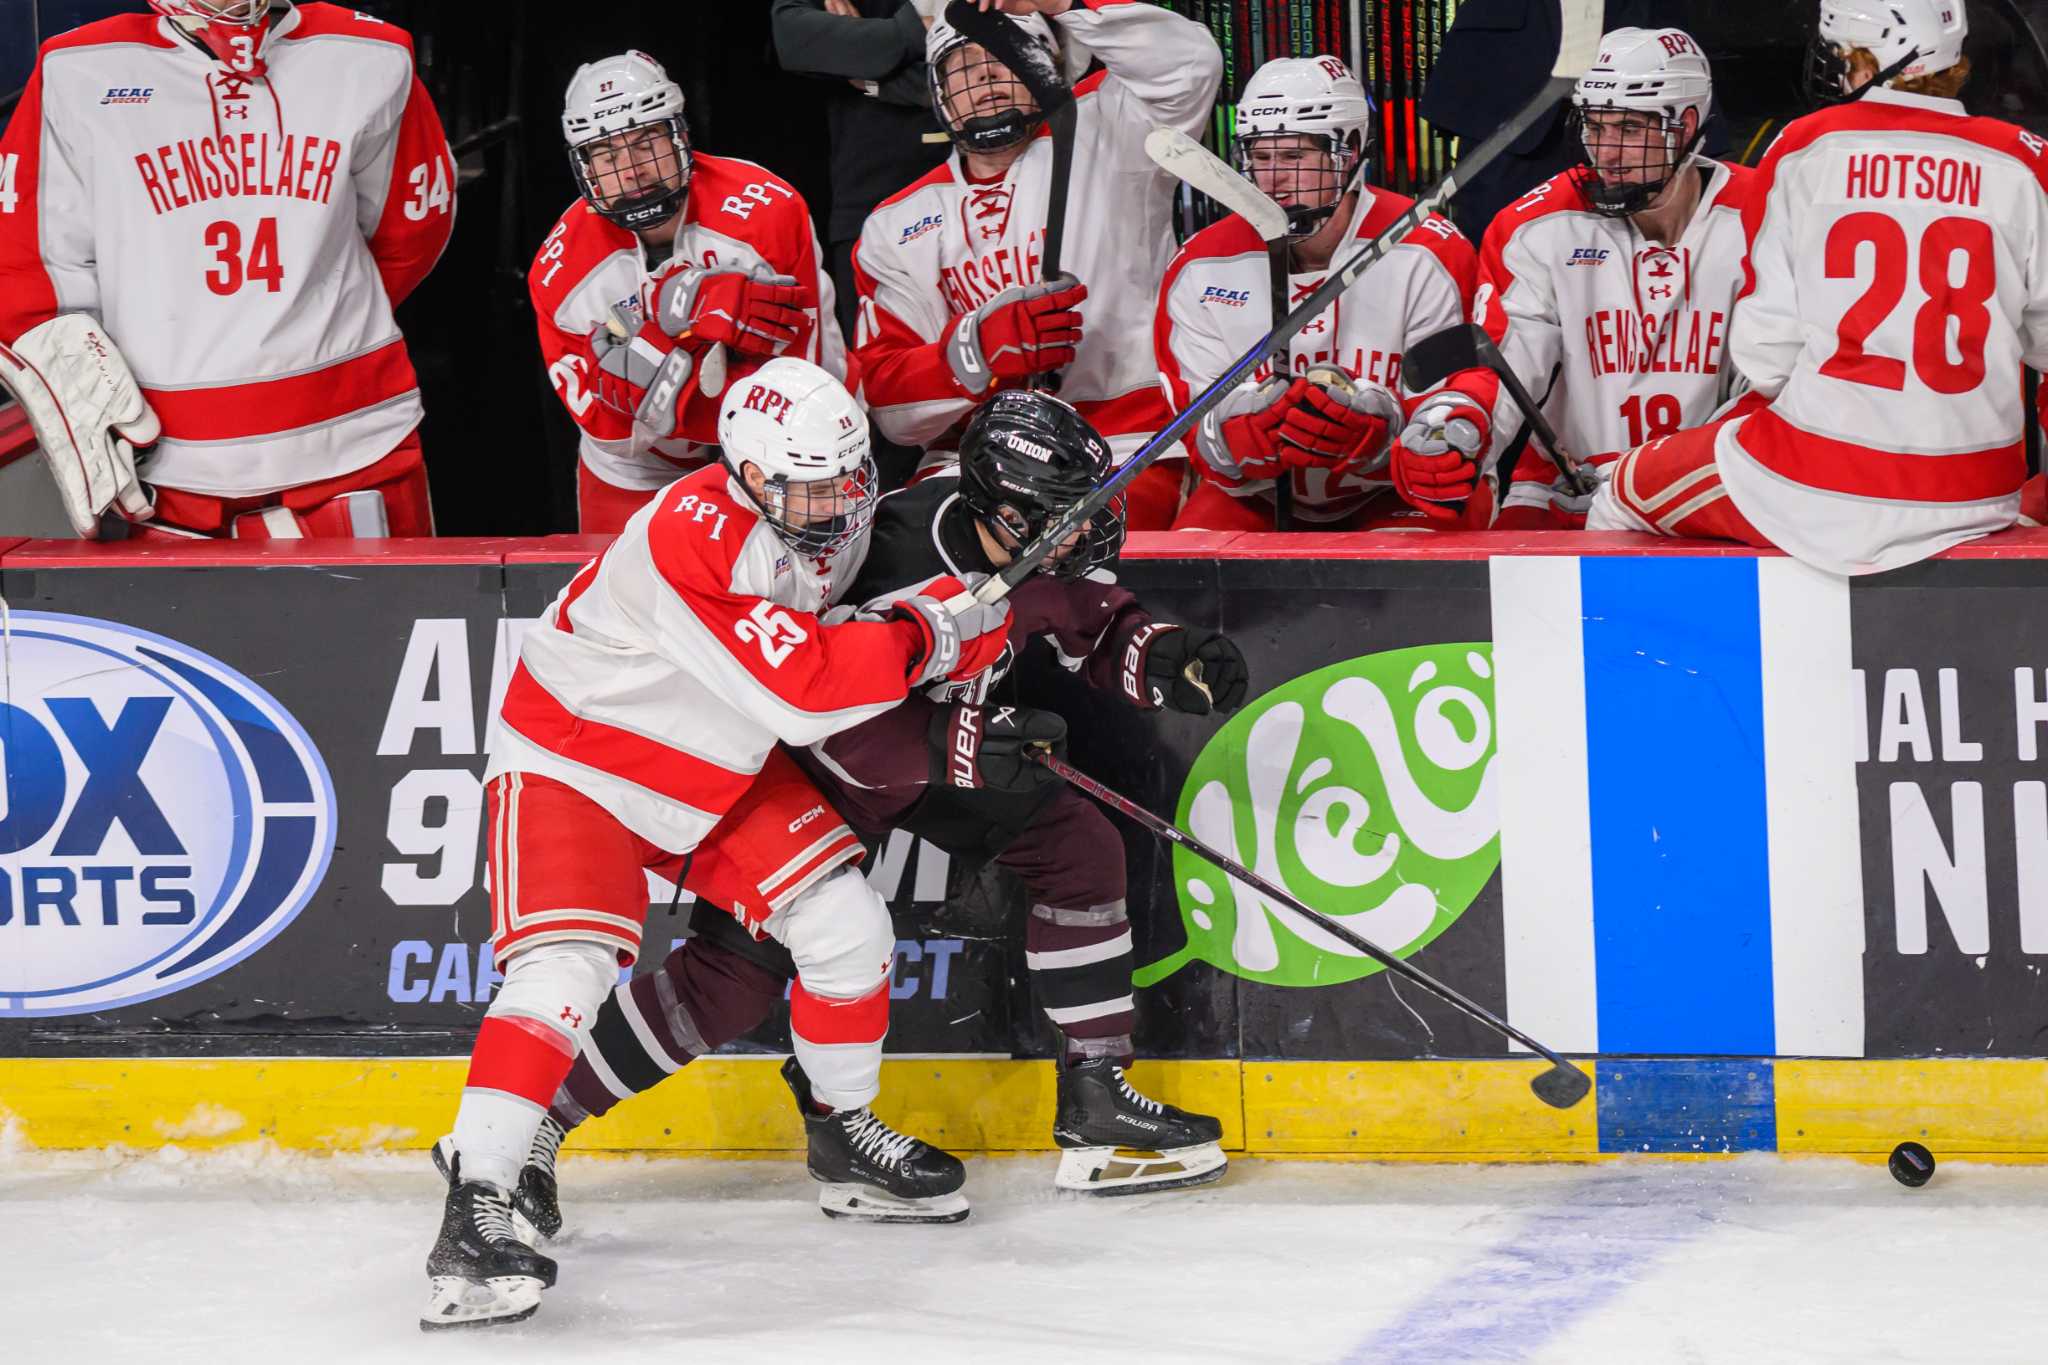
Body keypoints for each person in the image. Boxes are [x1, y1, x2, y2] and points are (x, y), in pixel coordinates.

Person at [496, 391, 1248, 1237]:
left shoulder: (1035, 547)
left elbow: (1086, 621)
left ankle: (1098, 1098)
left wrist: (1160, 655)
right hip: (822, 772)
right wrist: (963, 739)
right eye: (1063, 517)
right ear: (1004, 510)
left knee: (1080, 846)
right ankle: (540, 1122)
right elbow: (828, 717)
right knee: (731, 979)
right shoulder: (886, 550)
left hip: (943, 754)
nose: (1083, 533)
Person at [421, 358, 1010, 1330]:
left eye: (845, 477)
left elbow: (859, 607)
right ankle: (475, 1205)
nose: (829, 505)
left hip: (716, 760)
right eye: (802, 487)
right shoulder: (688, 538)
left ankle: (838, 1133)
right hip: (582, 758)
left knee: (844, 927)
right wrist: (930, 635)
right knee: (561, 973)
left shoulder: (831, 504)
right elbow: (804, 692)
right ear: (741, 475)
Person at [1586, 0, 2048, 573]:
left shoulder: (1806, 147)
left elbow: (1768, 356)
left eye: (1840, 54)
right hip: (1978, 486)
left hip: (1823, 476)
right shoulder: (2025, 162)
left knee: (1621, 490)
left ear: (1871, 57)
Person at [0, 0, 454, 540]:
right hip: (171, 466)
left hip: (358, 443)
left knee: (392, 623)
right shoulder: (77, 68)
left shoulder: (372, 53)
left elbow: (409, 232)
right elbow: (29, 269)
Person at [852, 0, 1222, 529]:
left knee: (1086, 568)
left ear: (1049, 68)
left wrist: (1062, 4)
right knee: (914, 559)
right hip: (975, 460)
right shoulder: (895, 224)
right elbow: (892, 410)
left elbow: (1191, 63)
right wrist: (975, 352)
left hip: (1125, 442)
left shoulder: (1108, 127)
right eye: (964, 66)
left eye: (1006, 59)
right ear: (937, 95)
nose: (988, 78)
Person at [1388, 26, 1754, 529]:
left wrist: (1656, 481)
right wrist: (1459, 419)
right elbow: (1504, 357)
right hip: (1567, 492)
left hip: (1718, 492)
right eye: (1595, 127)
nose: (1606, 153)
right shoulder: (1533, 227)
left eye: (1629, 129)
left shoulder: (1766, 214)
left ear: (1687, 125)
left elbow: (1780, 385)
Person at [529, 50, 848, 534]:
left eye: (644, 143)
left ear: (680, 137)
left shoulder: (766, 210)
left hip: (785, 455)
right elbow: (611, 432)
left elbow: (805, 382)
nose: (631, 170)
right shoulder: (559, 271)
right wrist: (673, 313)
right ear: (586, 168)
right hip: (635, 471)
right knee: (619, 605)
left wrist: (657, 356)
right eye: (608, 155)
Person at [1155, 56, 1477, 531]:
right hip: (1257, 498)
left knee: (1412, 581)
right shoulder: (1199, 265)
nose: (1274, 180)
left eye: (1293, 157)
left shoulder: (1427, 247)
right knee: (1190, 576)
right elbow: (1197, 438)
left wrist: (1384, 432)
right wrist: (1235, 431)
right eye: (1261, 158)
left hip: (1393, 493)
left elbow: (1456, 416)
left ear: (1348, 151)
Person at [769, 0, 951, 343]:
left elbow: (996, 63)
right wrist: (911, 29)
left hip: (979, 185)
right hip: (868, 206)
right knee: (886, 377)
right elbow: (794, 39)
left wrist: (873, 72)